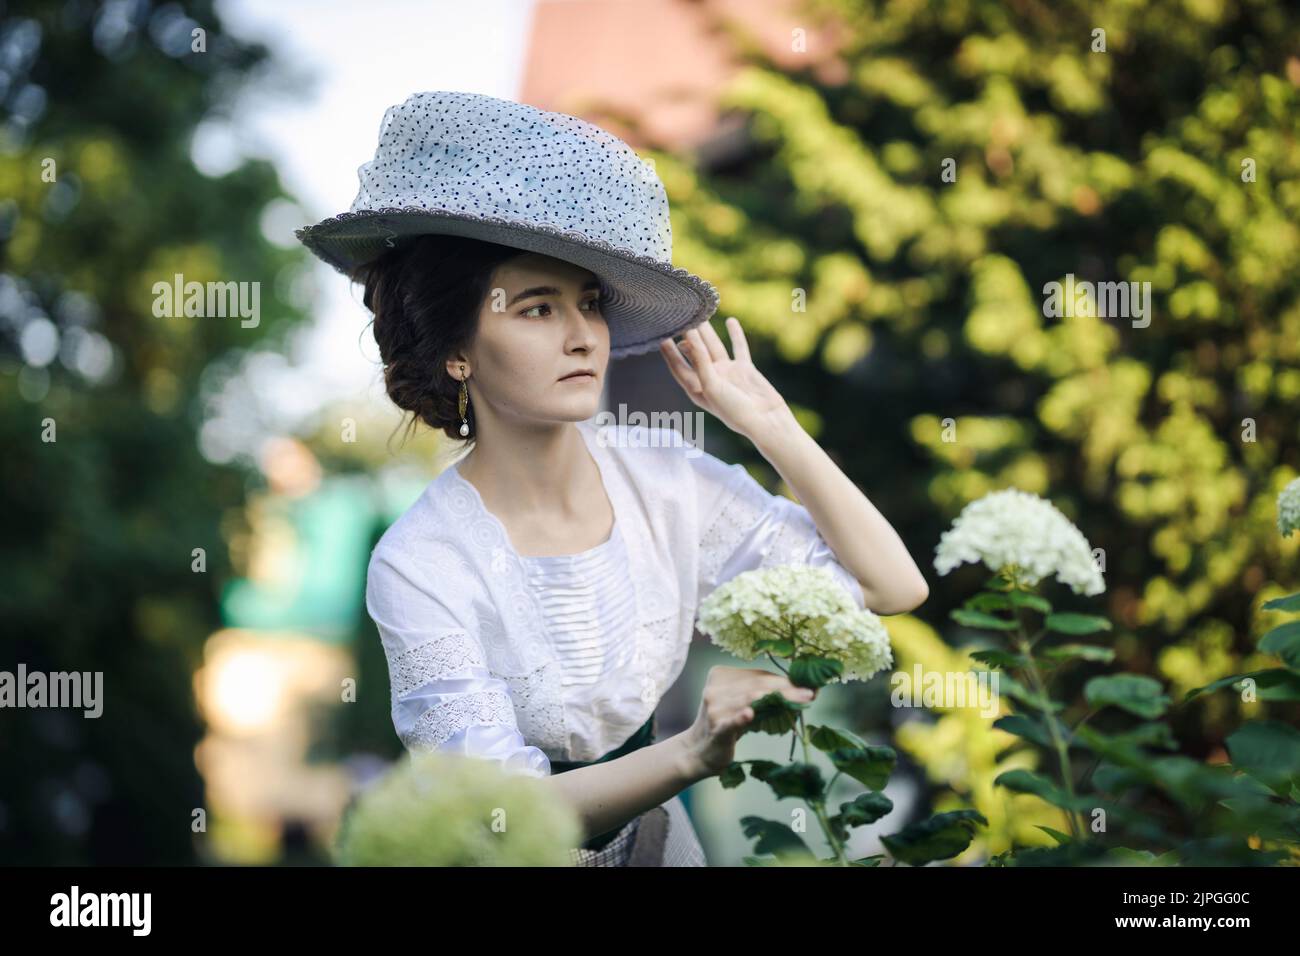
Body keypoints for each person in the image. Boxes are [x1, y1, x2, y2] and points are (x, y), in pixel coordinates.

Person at [297, 91, 929, 866]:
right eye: (535, 309)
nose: (580, 337)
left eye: (588, 305)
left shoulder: (667, 485)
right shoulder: (421, 560)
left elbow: (891, 587)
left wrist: (771, 426)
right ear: (456, 350)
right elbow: (501, 812)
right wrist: (692, 751)